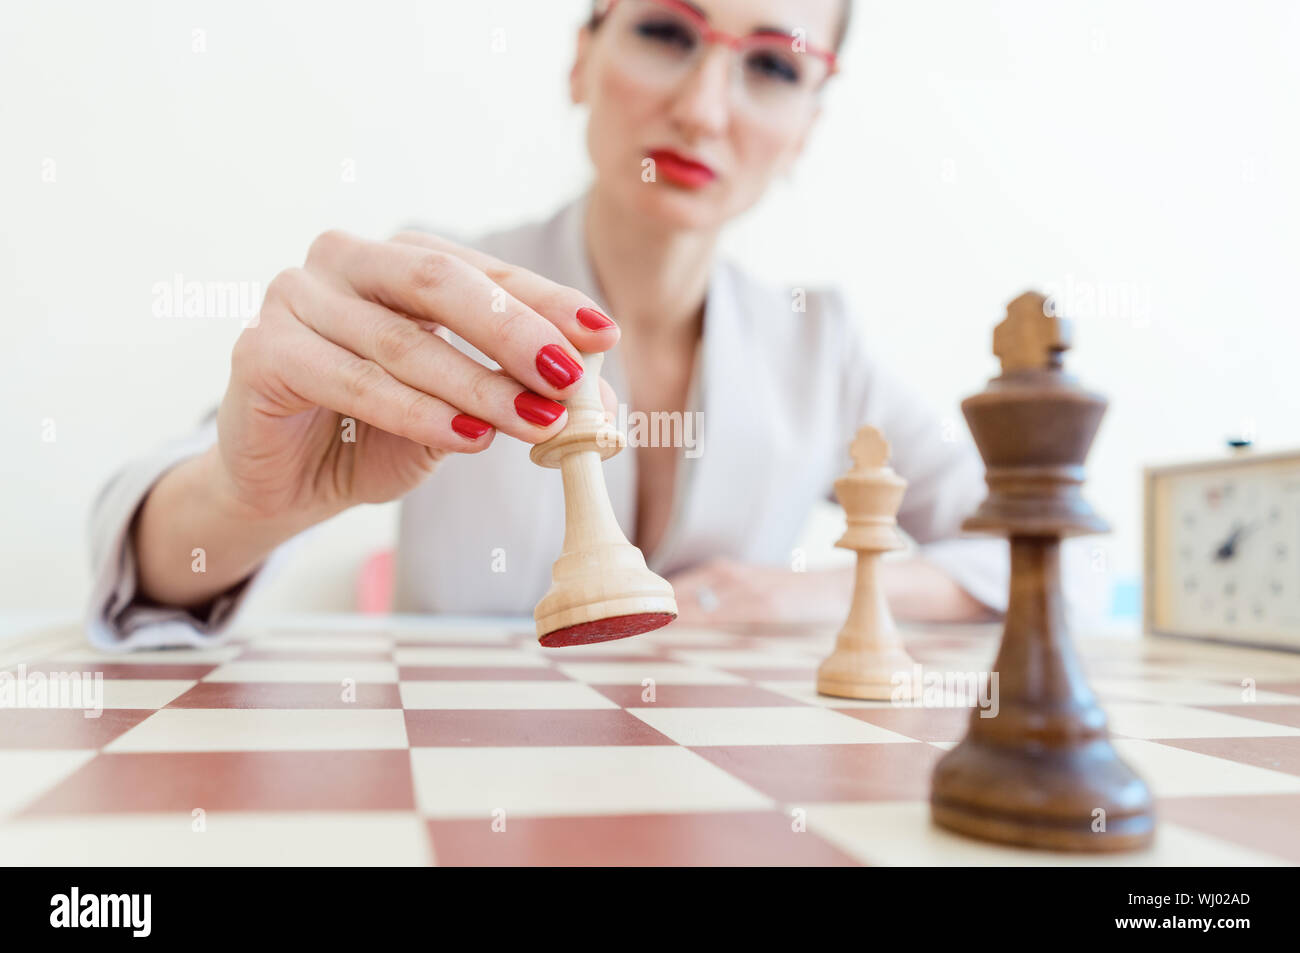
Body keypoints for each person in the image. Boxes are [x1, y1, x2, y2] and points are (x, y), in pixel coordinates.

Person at [87, 0, 1006, 650]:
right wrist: (243, 503)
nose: (703, 108)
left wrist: (795, 595)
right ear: (581, 58)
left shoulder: (824, 347)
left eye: (773, 64)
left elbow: (1046, 551)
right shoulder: (431, 292)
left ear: (808, 126)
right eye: (664, 29)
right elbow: (144, 558)